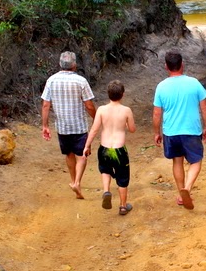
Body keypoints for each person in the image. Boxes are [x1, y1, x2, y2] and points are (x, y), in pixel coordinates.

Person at [152, 50, 206, 210]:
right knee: (196, 161)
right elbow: (204, 108)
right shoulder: (194, 83)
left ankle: (181, 194)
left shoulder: (161, 87)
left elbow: (157, 113)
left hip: (171, 132)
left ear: (166, 66)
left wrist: (157, 133)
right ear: (182, 65)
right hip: (191, 131)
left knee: (177, 161)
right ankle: (187, 188)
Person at [41, 51, 96, 199]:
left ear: (60, 64)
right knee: (82, 155)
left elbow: (46, 105)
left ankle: (73, 180)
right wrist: (96, 118)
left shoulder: (51, 80)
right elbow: (89, 105)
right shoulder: (81, 81)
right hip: (79, 126)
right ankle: (77, 182)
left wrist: (45, 125)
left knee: (69, 154)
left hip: (62, 126)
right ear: (74, 65)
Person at [83, 80, 137, 215]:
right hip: (119, 150)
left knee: (105, 170)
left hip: (105, 149)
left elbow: (94, 130)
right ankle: (123, 206)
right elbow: (132, 129)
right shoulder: (126, 110)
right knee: (122, 177)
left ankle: (106, 191)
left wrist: (87, 145)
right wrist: (124, 125)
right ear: (122, 94)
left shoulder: (101, 110)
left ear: (108, 94)